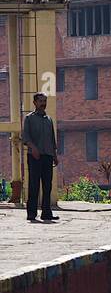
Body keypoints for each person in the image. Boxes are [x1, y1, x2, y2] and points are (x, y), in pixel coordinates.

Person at [21, 93, 58, 223]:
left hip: (48, 156)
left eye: (45, 101)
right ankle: (31, 213)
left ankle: (46, 213)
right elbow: (25, 137)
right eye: (41, 101)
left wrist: (55, 156)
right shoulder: (29, 118)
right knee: (34, 185)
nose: (43, 103)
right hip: (34, 156)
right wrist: (33, 148)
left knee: (47, 185)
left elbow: (52, 140)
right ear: (35, 103)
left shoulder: (49, 119)